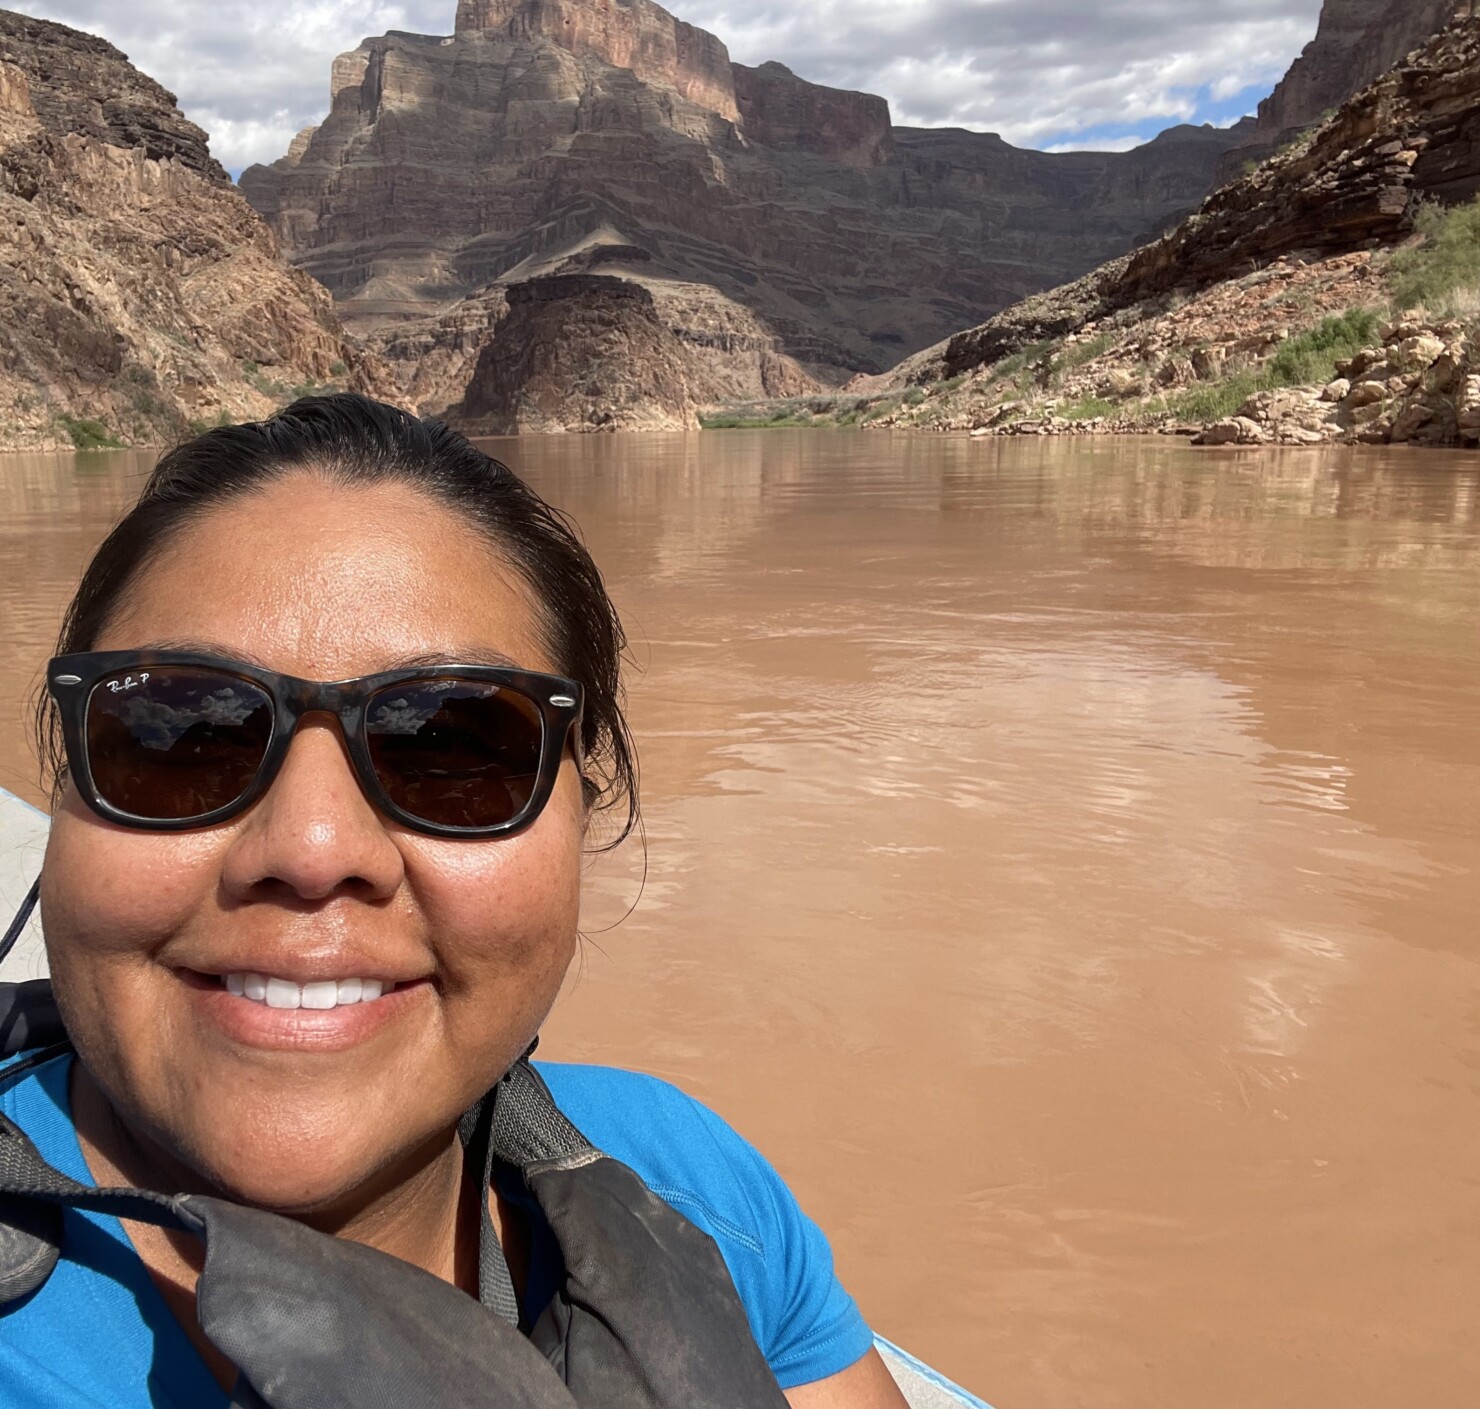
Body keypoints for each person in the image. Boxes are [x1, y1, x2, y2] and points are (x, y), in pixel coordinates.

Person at [0, 394, 908, 1407]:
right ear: (68, 786)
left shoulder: (690, 1178)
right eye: (178, 735)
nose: (310, 850)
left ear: (581, 812)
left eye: (450, 747)